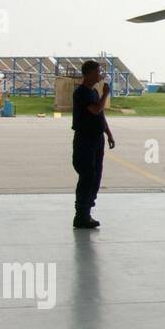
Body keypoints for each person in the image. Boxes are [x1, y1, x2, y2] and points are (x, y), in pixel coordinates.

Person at [72, 60, 115, 228]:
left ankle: (87, 212)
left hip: (97, 139)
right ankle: (81, 214)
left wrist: (108, 133)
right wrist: (105, 94)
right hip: (85, 139)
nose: (100, 75)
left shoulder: (94, 92)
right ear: (89, 73)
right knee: (87, 176)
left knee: (96, 176)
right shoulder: (81, 93)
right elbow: (95, 109)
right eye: (97, 72)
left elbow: (100, 115)